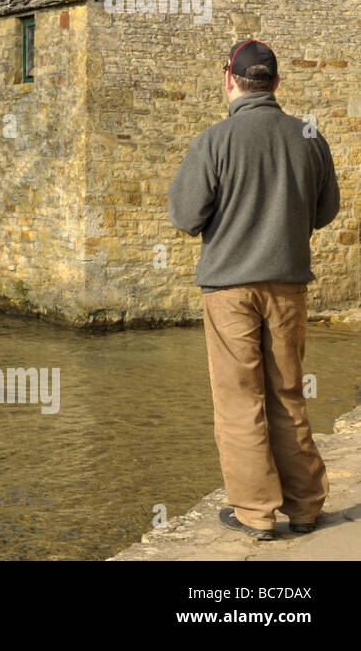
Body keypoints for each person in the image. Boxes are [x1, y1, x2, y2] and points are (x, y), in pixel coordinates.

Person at [167, 39, 339, 542]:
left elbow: (184, 215)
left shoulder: (214, 140)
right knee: (288, 393)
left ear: (230, 81)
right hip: (288, 285)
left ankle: (256, 514)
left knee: (241, 401)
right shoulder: (309, 136)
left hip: (228, 288)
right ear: (276, 84)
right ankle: (305, 507)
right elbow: (325, 211)